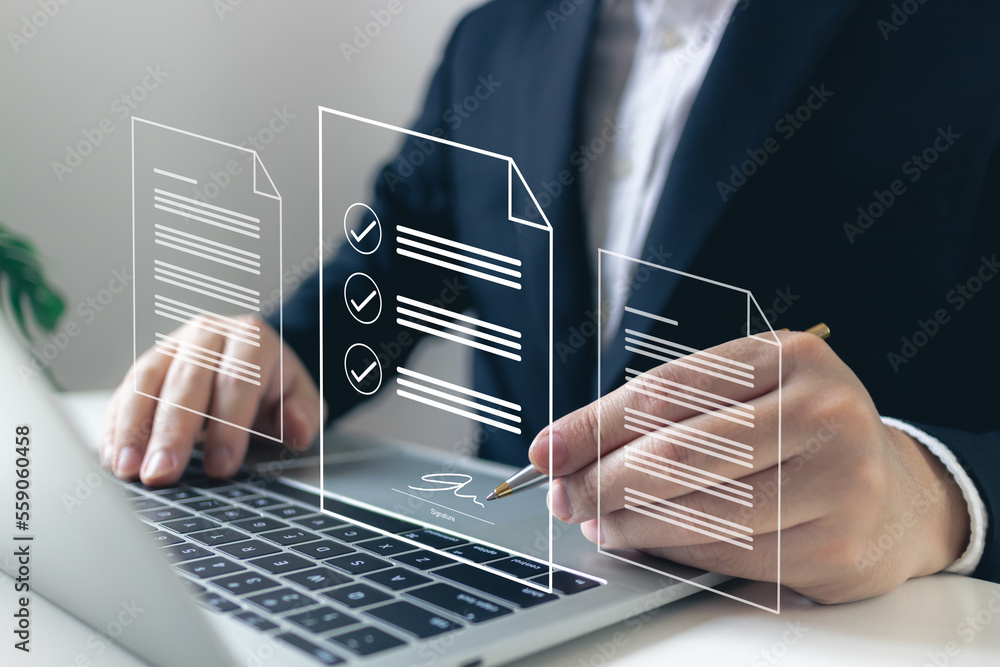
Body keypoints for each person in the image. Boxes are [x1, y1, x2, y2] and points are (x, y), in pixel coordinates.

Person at [101, 0, 999, 603]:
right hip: (493, 591)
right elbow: (385, 279)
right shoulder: (494, 39)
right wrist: (270, 351)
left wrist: (934, 496)